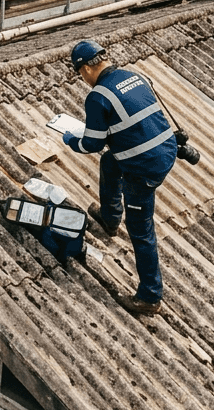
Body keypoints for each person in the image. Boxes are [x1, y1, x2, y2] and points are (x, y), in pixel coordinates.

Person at [62, 39, 176, 315]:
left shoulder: (98, 96)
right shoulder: (133, 76)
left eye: (80, 75)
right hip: (166, 149)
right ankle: (110, 217)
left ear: (85, 70)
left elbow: (91, 144)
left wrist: (69, 139)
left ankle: (149, 296)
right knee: (111, 162)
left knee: (141, 231)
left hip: (144, 167)